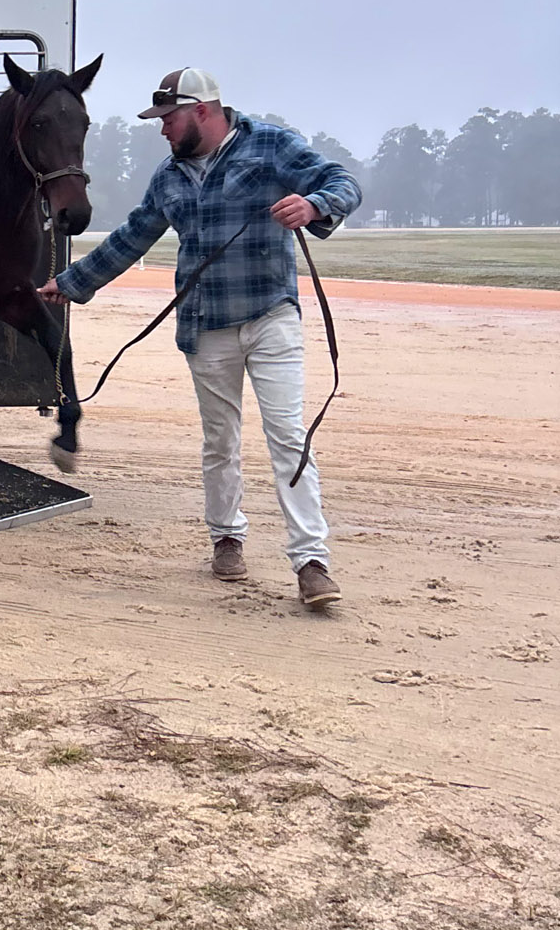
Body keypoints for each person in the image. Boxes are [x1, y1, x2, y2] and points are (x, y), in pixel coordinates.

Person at [38, 68, 361, 610]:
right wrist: (71, 284)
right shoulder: (169, 177)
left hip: (270, 315)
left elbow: (342, 182)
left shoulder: (270, 146)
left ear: (202, 112)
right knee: (220, 440)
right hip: (205, 324)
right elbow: (131, 236)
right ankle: (226, 537)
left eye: (168, 119)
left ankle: (311, 560)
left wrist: (313, 205)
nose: (162, 130)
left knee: (288, 436)